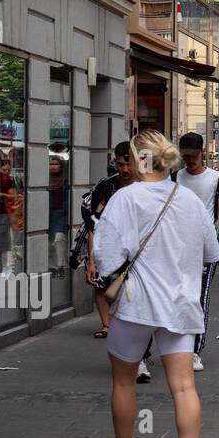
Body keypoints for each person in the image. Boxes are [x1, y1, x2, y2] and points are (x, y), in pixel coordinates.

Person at [95, 131, 219, 438]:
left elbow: (107, 260)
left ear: (140, 159)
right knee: (183, 387)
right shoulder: (190, 200)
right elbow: (212, 251)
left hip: (136, 304)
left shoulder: (125, 198)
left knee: (124, 381)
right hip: (180, 303)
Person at [173, 133, 219, 372]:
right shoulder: (174, 178)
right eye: (185, 156)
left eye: (193, 156)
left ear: (202, 153)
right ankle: (179, 347)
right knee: (178, 299)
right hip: (177, 249)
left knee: (200, 299)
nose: (189, 161)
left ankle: (195, 350)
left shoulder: (216, 179)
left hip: (204, 250)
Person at [82, 142, 138, 341]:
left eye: (128, 164)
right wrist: (91, 260)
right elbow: (93, 226)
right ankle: (107, 325)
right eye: (120, 164)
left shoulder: (144, 186)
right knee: (100, 285)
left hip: (136, 246)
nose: (124, 169)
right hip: (107, 243)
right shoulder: (107, 187)